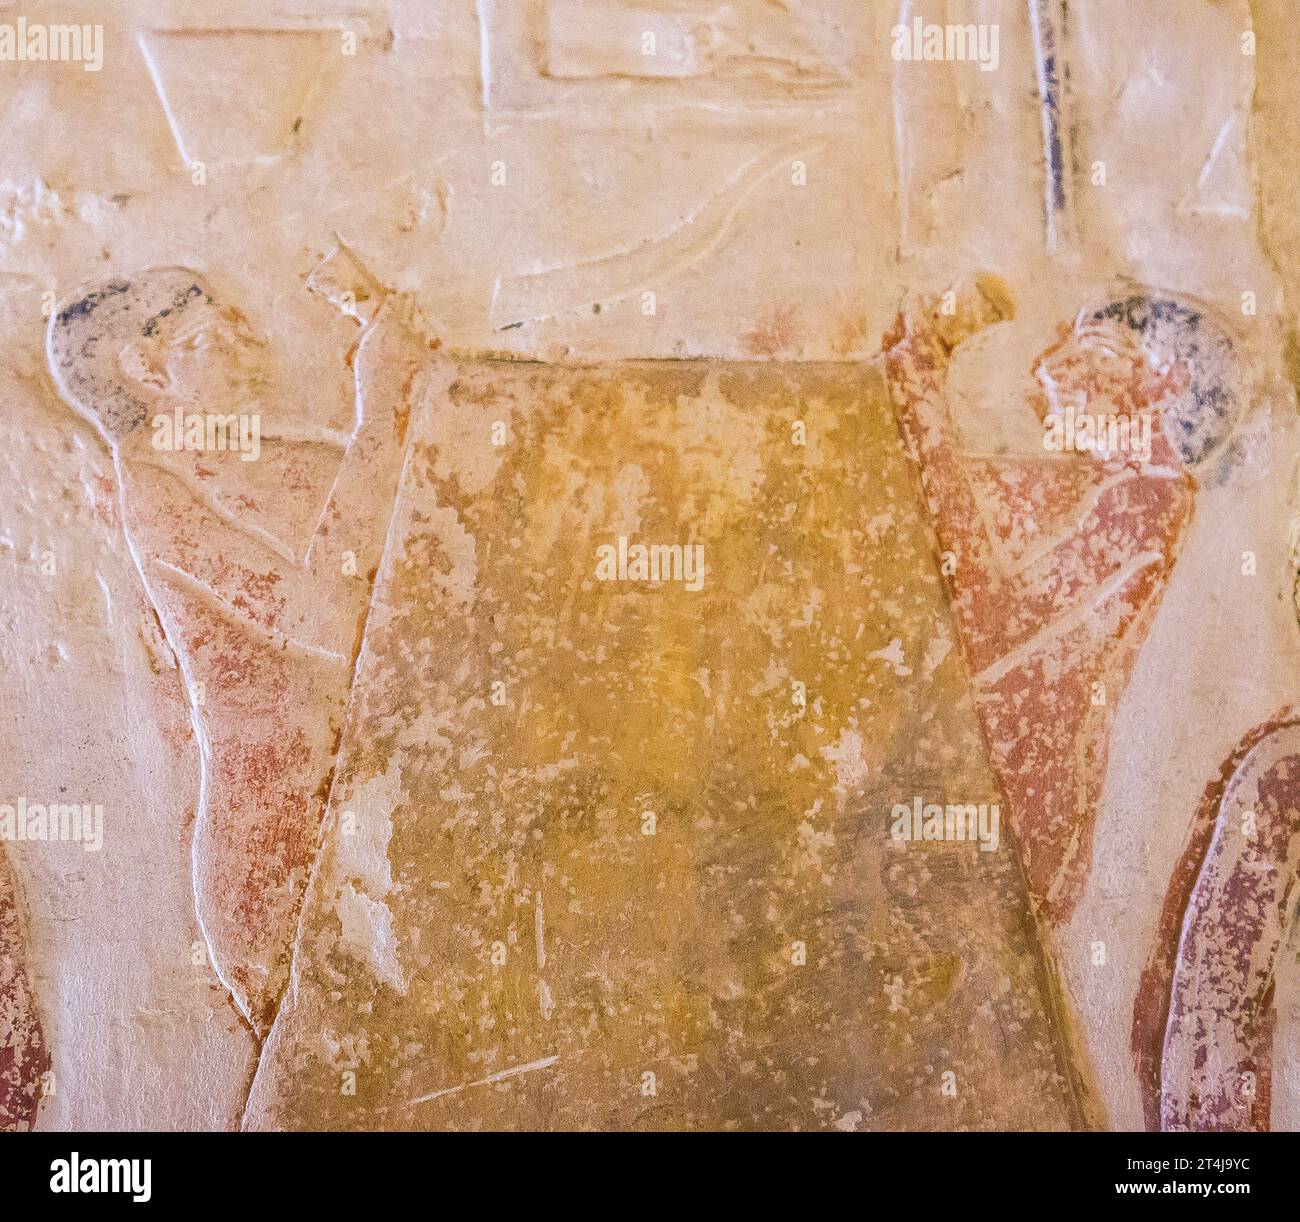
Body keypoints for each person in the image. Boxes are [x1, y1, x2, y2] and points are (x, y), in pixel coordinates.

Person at [46, 255, 432, 1033]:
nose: (246, 335)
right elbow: (332, 621)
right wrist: (383, 397)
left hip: (385, 821)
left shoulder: (280, 462)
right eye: (208, 331)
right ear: (148, 370)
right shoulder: (157, 491)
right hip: (289, 853)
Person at [884, 280, 1242, 924]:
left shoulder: (1150, 500)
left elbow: (989, 623)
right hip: (969, 793)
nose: (1046, 368)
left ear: (1163, 381)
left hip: (1005, 817)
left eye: (1090, 350)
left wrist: (922, 401)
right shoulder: (1092, 482)